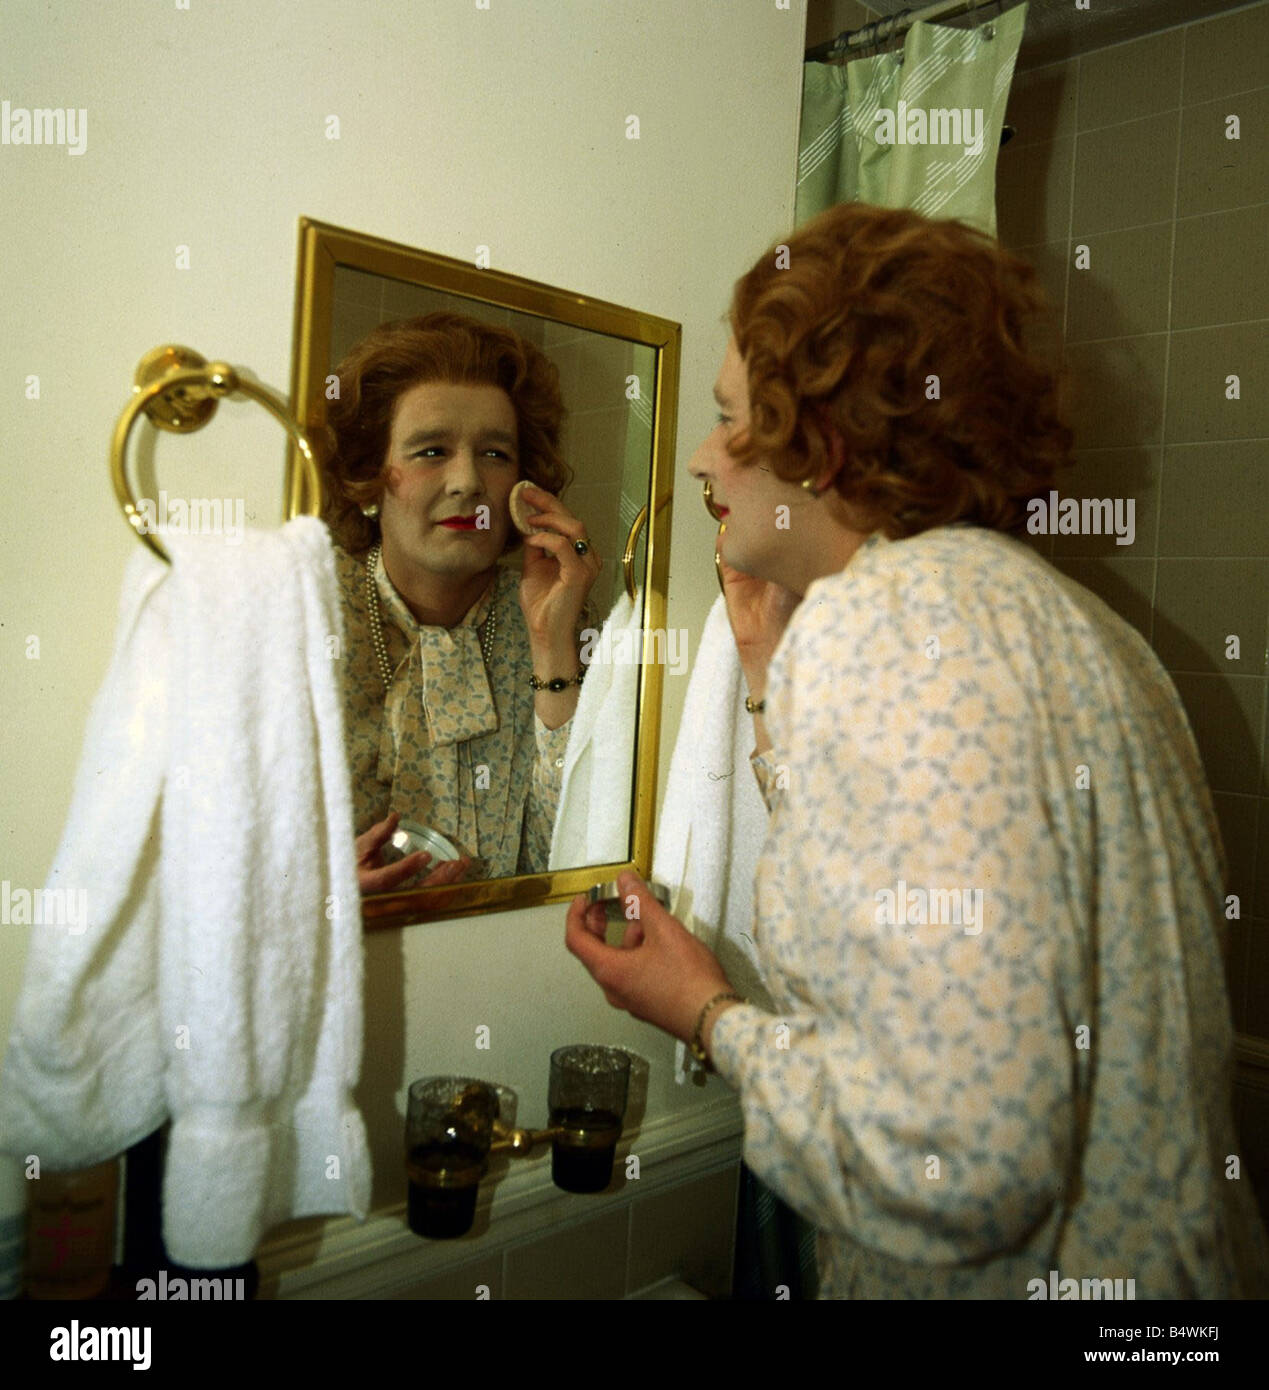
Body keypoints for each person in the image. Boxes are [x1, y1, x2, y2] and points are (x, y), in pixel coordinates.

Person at [565, 202, 1269, 1299]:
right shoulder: (1082, 628)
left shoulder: (884, 627)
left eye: (730, 417)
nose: (702, 455)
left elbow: (960, 1169)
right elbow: (935, 893)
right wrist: (763, 677)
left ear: (824, 438)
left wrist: (705, 1009)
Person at [318, 312, 601, 892]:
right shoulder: (309, 613)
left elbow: (568, 856)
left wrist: (553, 647)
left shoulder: (553, 620)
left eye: (495, 454)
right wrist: (317, 896)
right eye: (431, 451)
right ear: (371, 476)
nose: (467, 481)